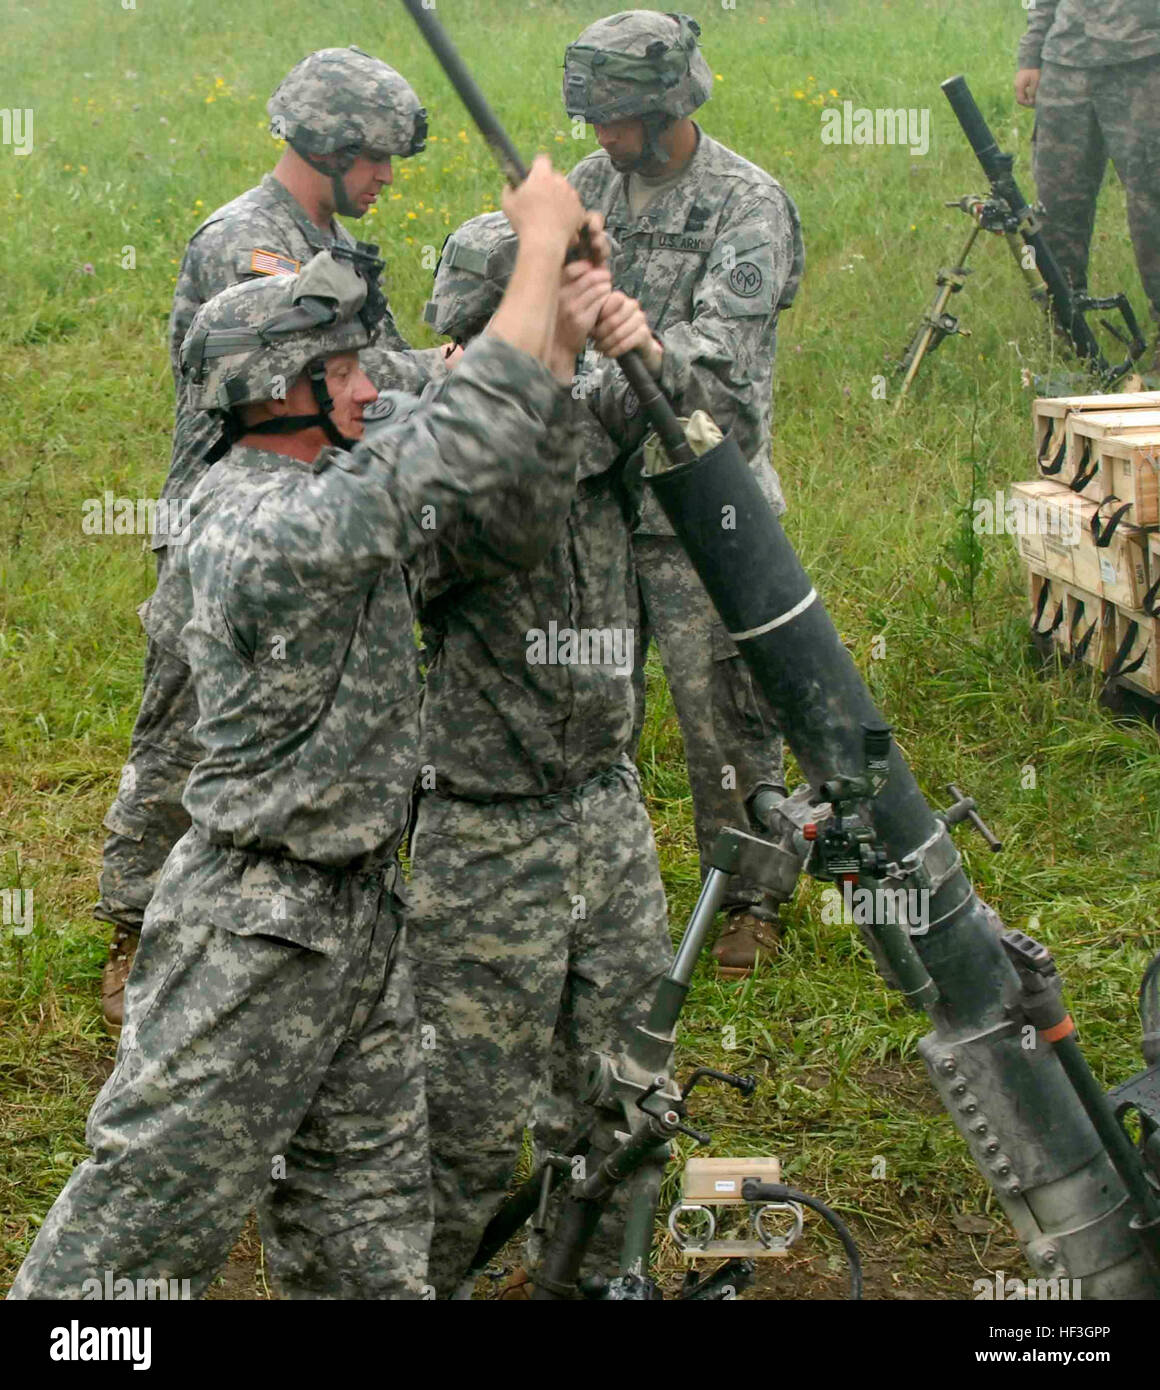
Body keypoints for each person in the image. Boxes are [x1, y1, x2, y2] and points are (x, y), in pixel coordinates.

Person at [9, 160, 602, 1299]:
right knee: (134, 1236)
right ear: (281, 386)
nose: (369, 388)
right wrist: (533, 252)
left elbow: (498, 496)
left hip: (360, 922)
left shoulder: (327, 501)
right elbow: (444, 448)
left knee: (366, 1229)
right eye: (341, 369)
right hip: (253, 938)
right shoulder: (259, 526)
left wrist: (561, 334)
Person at [96, 45, 445, 1031]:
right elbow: (331, 375)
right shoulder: (252, 244)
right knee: (181, 730)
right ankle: (134, 923)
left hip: (303, 515)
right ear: (331, 146)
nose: (384, 178)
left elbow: (366, 379)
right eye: (375, 159)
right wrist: (450, 372)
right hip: (229, 527)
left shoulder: (317, 234)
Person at [406, 211, 673, 1296]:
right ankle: (424, 1282)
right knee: (460, 1115)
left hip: (602, 805)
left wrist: (640, 347)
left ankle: (592, 1275)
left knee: (620, 1088)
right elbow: (483, 524)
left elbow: (720, 419)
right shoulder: (427, 446)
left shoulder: (592, 413)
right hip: (481, 827)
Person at [563, 10, 805, 976]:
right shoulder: (591, 187)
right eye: (592, 120)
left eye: (616, 120)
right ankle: (595, 889)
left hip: (703, 502)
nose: (602, 140)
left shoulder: (748, 203)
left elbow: (723, 369)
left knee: (723, 714)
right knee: (588, 703)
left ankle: (749, 897)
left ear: (671, 107)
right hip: (596, 503)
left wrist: (626, 349)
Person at [1015, 1, 1160, 365]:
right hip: (1065, 63)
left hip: (1143, 61)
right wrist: (1032, 53)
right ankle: (1066, 334)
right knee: (1056, 206)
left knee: (1152, 202)